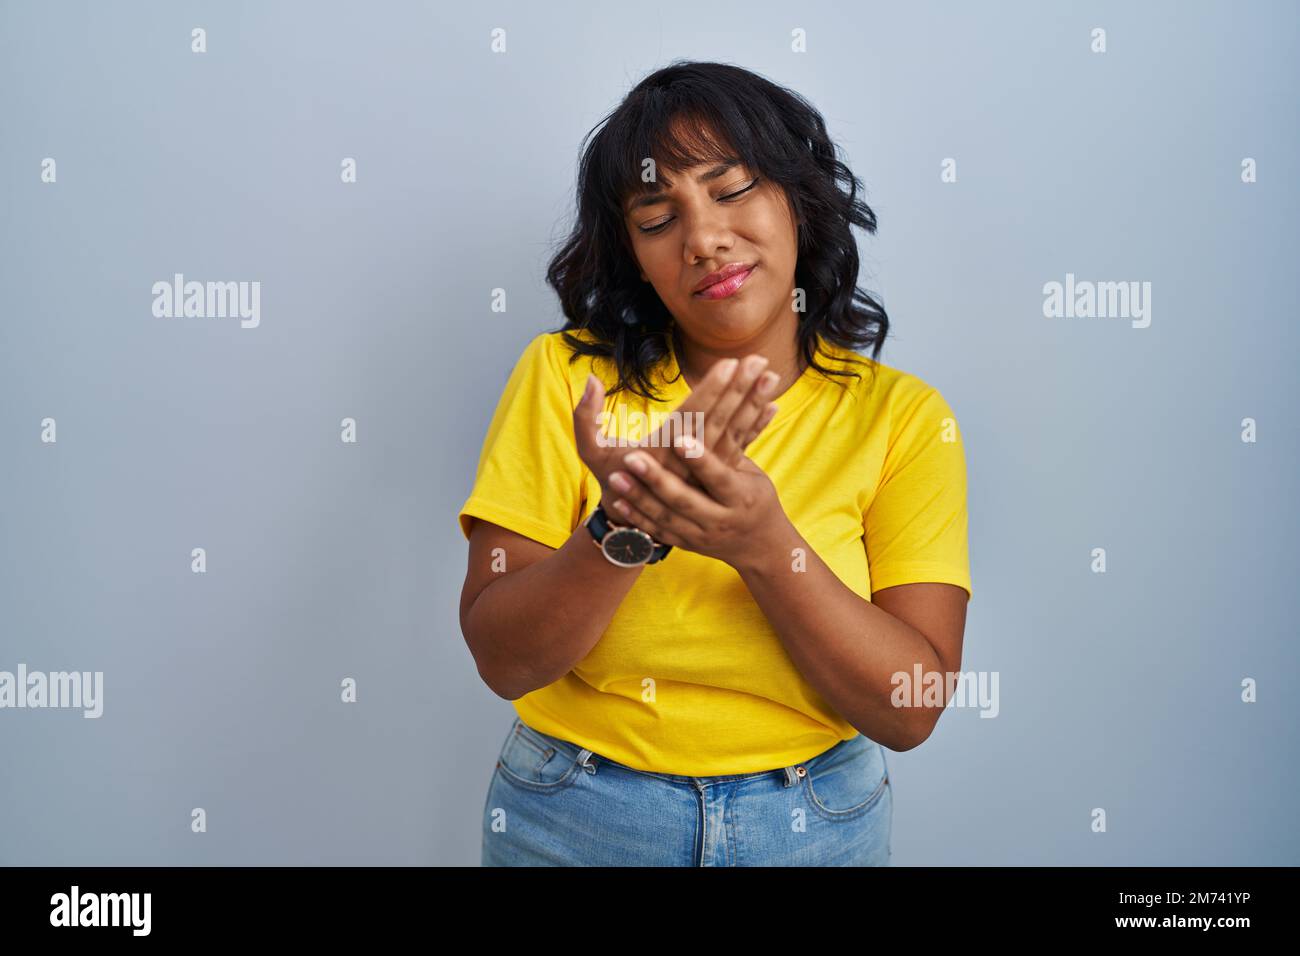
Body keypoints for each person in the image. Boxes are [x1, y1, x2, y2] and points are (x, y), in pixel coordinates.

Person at [457, 60, 971, 866]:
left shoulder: (905, 417)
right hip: (576, 814)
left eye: (731, 191)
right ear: (633, 255)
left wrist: (766, 544)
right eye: (658, 219)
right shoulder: (567, 379)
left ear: (800, 199)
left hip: (815, 821)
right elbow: (503, 659)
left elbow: (912, 709)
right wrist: (626, 521)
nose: (702, 238)